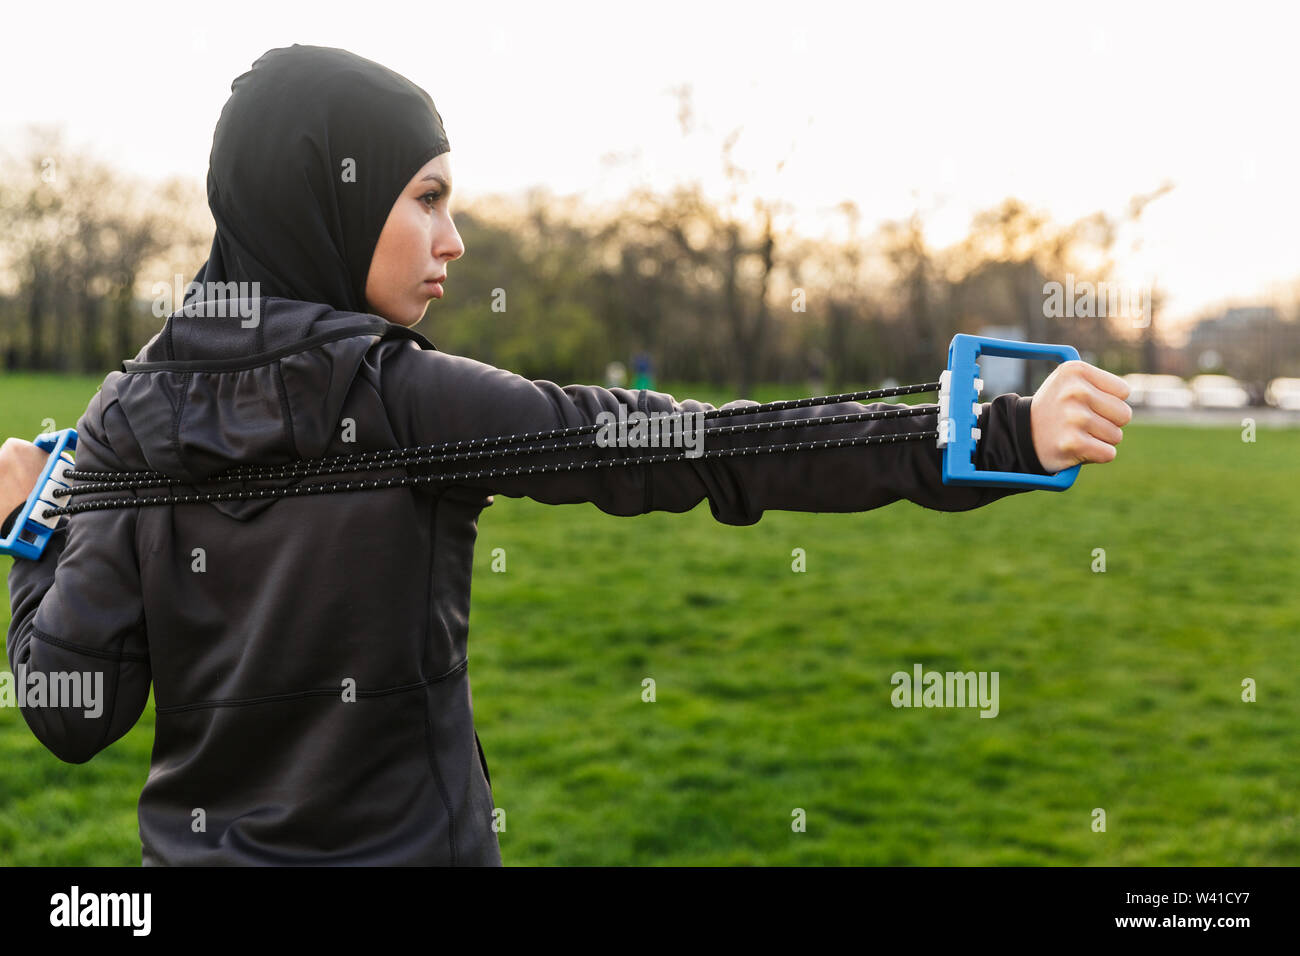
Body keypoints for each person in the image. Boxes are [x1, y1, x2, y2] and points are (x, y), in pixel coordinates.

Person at [0, 44, 1132, 866]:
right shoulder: (401, 396)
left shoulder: (120, 417)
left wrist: (29, 537)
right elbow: (695, 448)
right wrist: (976, 429)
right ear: (323, 202)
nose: (454, 241)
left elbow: (71, 706)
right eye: (426, 198)